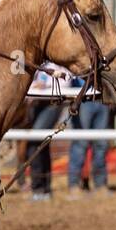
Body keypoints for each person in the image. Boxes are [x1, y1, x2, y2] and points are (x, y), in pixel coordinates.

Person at [25, 63, 69, 201]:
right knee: (41, 144)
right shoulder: (41, 59)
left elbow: (66, 80)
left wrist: (45, 87)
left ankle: (39, 188)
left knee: (35, 141)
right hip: (35, 103)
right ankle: (44, 188)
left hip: (51, 103)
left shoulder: (59, 60)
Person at [65, 79, 112, 194]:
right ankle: (74, 184)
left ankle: (100, 184)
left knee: (101, 144)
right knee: (80, 143)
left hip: (102, 98)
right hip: (83, 98)